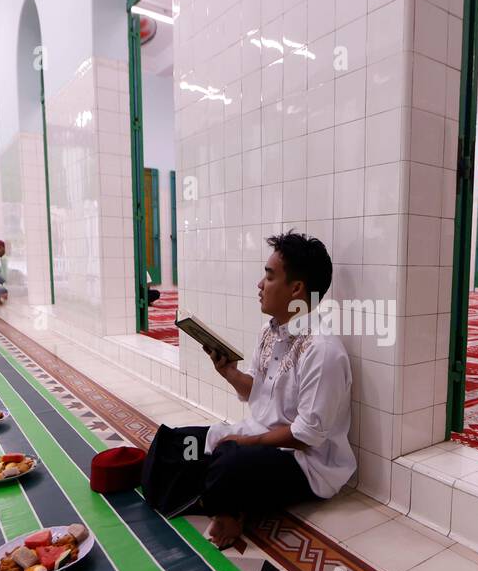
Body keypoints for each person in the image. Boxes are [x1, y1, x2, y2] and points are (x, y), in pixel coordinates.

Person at [144, 231, 356, 549]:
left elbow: (306, 435)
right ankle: (217, 496)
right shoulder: (268, 333)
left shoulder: (322, 351)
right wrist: (229, 372)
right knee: (176, 443)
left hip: (304, 464)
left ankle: (225, 505)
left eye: (269, 277)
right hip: (256, 438)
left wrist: (246, 441)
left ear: (296, 288)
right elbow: (259, 392)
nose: (260, 285)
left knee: (228, 463)